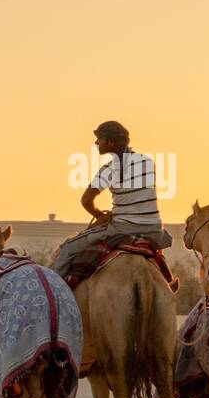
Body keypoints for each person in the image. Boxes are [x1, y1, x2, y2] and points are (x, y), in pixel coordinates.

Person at [52, 121, 173, 285]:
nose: (96, 143)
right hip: (154, 230)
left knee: (66, 250)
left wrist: (99, 215)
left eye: (99, 139)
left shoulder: (109, 169)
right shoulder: (148, 162)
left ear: (111, 142)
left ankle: (54, 295)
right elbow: (137, 198)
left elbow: (86, 200)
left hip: (121, 228)